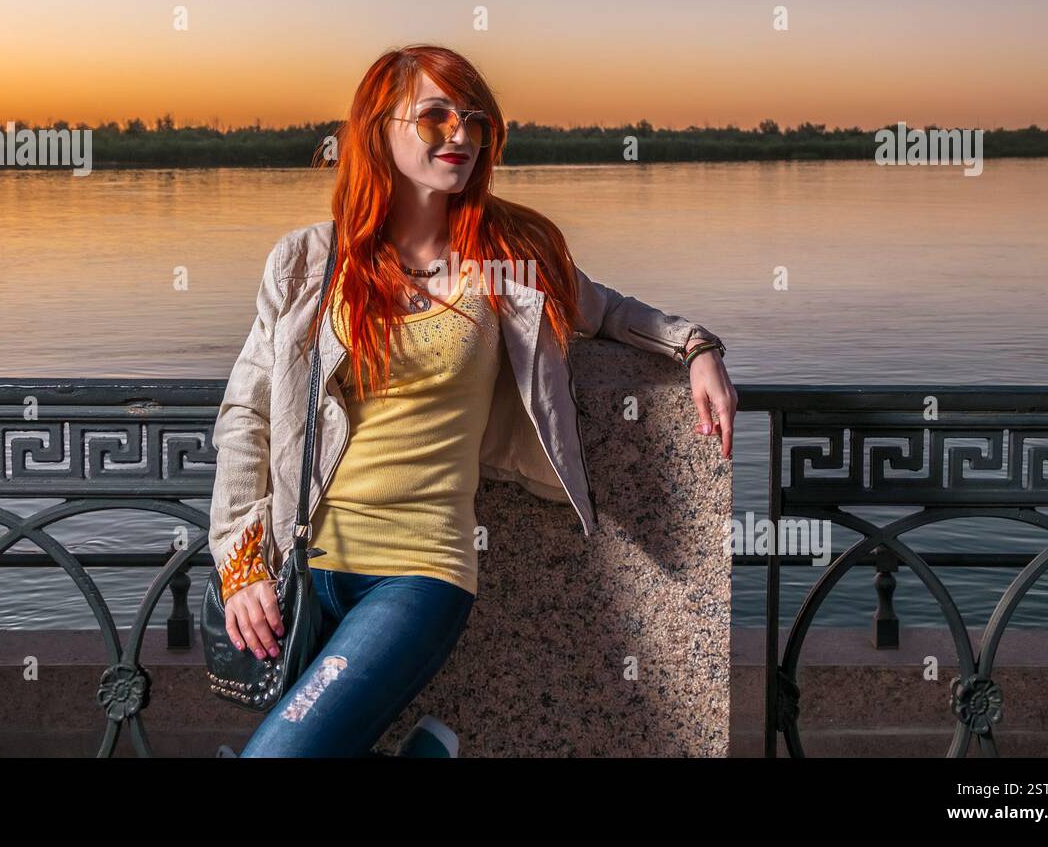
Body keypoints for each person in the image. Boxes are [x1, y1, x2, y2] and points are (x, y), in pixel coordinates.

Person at [208, 44, 737, 757]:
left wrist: (697, 349)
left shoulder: (509, 255)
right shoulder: (307, 261)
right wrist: (238, 566)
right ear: (378, 130)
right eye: (434, 118)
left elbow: (611, 312)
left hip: (419, 572)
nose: (459, 134)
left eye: (474, 122)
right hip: (299, 566)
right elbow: (248, 413)